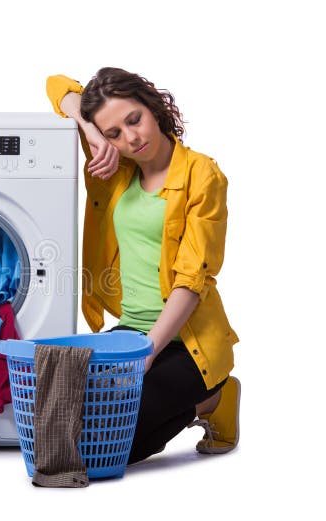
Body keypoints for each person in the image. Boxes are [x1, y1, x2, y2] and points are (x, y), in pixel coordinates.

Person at [46, 68, 241, 464]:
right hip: (132, 331)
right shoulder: (116, 168)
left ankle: (213, 399)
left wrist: (148, 354)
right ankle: (187, 397)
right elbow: (55, 85)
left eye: (134, 120)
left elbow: (191, 279)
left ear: (153, 105)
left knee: (105, 449)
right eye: (115, 132)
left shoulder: (202, 175)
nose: (131, 139)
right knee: (63, 424)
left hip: (187, 343)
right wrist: (91, 131)